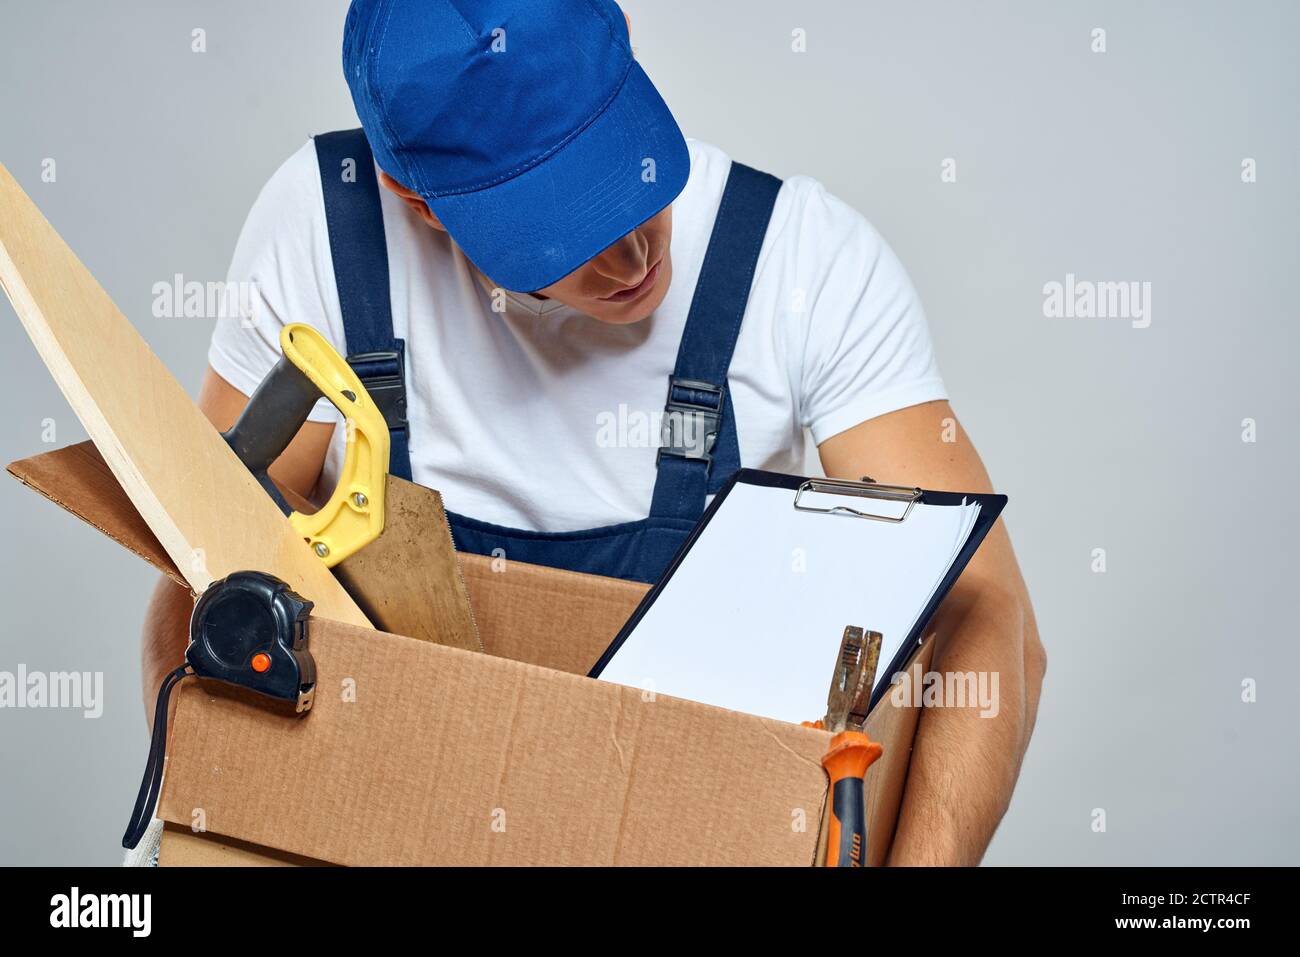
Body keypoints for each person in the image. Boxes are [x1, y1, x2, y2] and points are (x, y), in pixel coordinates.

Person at [142, 0, 1044, 865]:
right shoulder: (326, 229)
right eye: (561, 229)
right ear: (416, 201)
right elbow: (206, 574)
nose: (635, 258)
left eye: (624, 177)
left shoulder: (803, 264)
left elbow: (987, 617)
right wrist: (214, 822)